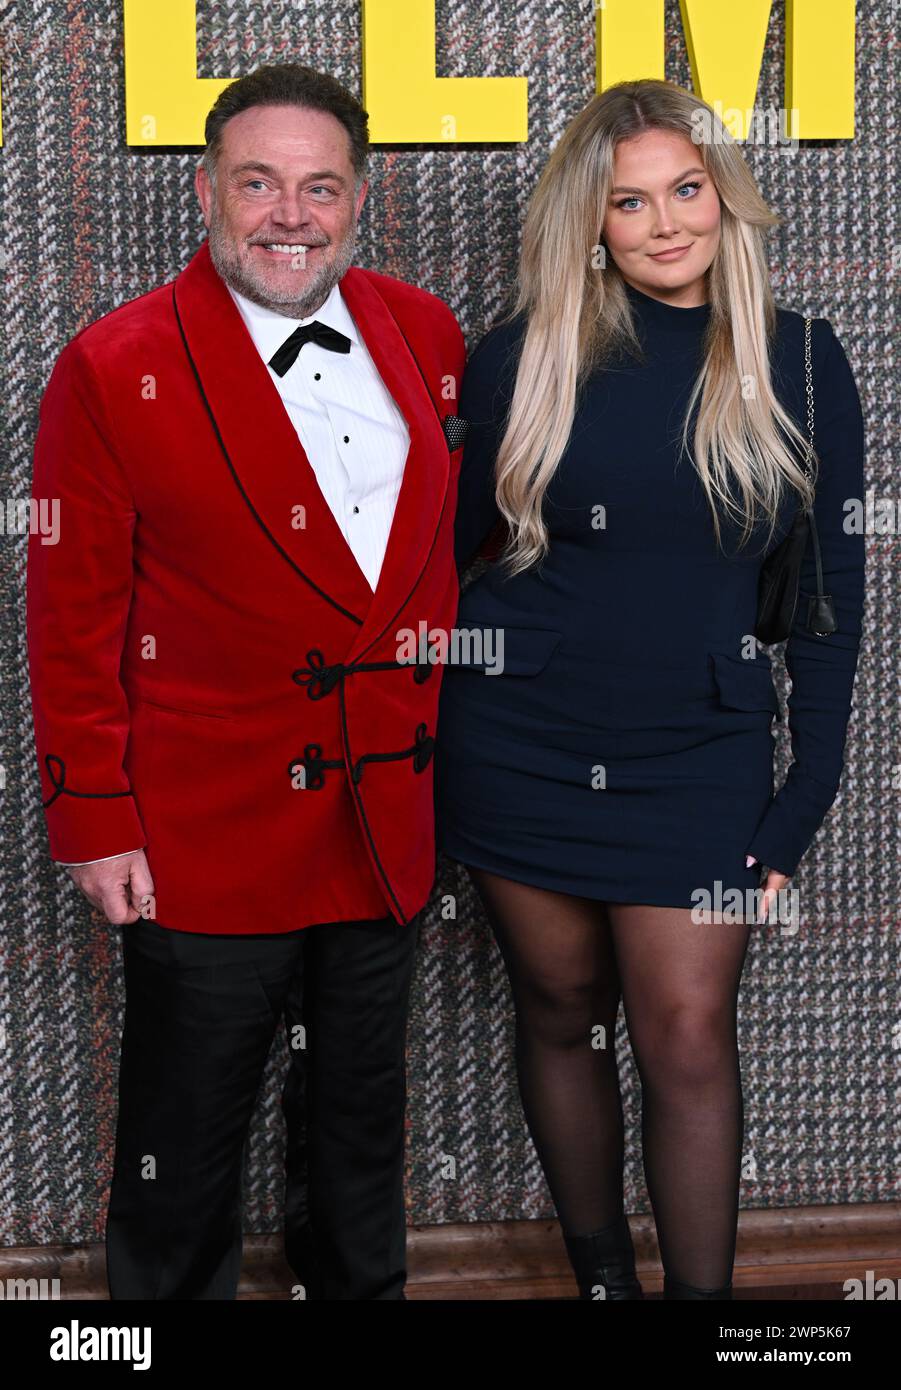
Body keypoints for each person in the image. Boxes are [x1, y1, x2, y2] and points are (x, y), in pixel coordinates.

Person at [26, 63, 466, 1300]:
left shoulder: (424, 332)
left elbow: (442, 561)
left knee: (359, 1128)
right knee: (183, 1152)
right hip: (202, 829)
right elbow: (70, 619)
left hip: (384, 820)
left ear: (360, 200)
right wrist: (94, 815)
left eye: (319, 187)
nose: (290, 214)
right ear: (208, 191)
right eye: (259, 182)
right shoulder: (113, 366)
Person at [435, 78, 865, 1301]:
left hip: (700, 750)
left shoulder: (798, 358)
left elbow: (828, 601)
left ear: (725, 197)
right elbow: (451, 555)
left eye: (687, 189)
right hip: (520, 740)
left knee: (683, 1035)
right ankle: (602, 1283)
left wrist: (805, 789)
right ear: (591, 222)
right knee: (560, 1007)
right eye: (630, 201)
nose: (666, 222)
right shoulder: (520, 356)